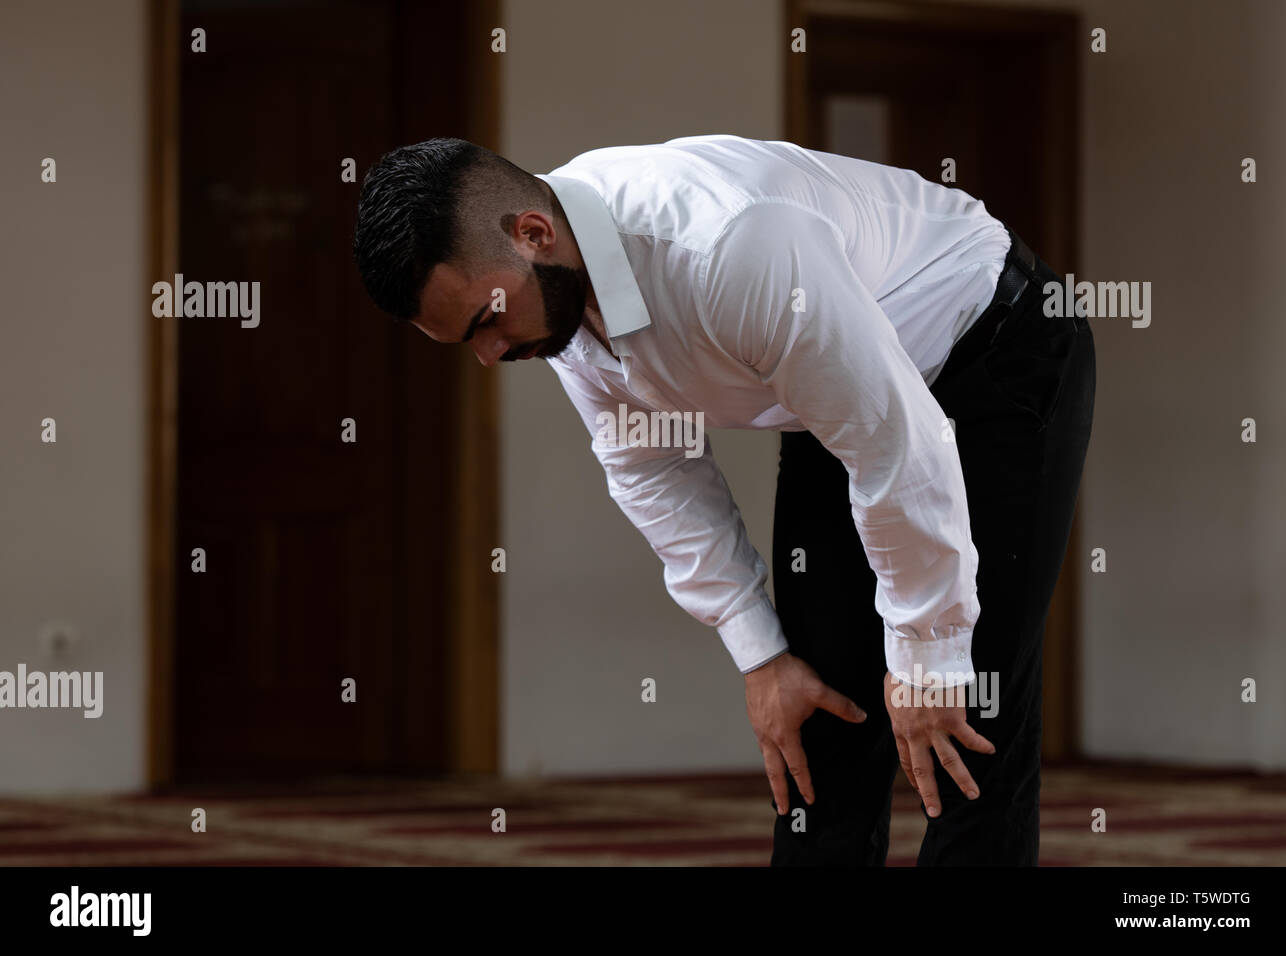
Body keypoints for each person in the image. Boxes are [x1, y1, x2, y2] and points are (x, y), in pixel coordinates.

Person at [352, 133, 1095, 866]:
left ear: (534, 234)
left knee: (967, 710)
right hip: (838, 397)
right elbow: (652, 467)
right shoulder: (550, 287)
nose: (489, 355)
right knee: (816, 719)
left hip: (993, 342)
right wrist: (761, 657)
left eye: (486, 322)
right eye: (465, 342)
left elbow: (893, 441)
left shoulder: (728, 243)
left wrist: (929, 651)